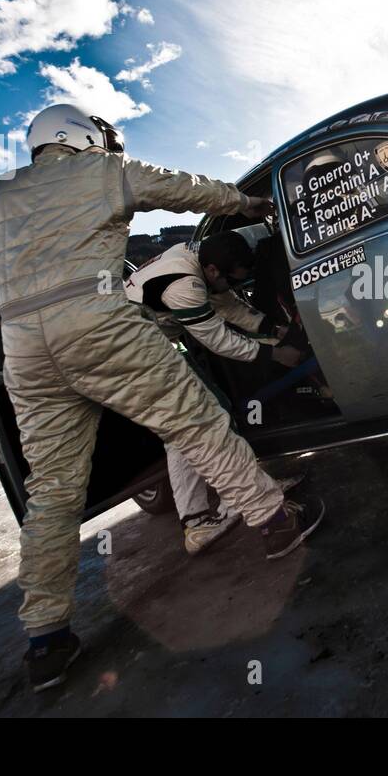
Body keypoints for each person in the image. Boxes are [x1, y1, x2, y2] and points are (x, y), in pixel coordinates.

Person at [0, 103, 325, 693]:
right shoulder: (102, 173)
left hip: (26, 354)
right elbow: (186, 190)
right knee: (196, 422)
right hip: (98, 325)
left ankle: (45, 639)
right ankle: (274, 521)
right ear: (81, 136)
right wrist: (245, 205)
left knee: (53, 492)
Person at [124, 230, 304, 556]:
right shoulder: (184, 285)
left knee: (192, 424)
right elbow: (218, 340)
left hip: (149, 343)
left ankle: (212, 511)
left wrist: (277, 330)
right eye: (230, 280)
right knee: (201, 419)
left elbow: (230, 307)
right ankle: (214, 513)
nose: (234, 286)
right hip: (134, 352)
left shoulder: (202, 261)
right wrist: (275, 353)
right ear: (212, 272)